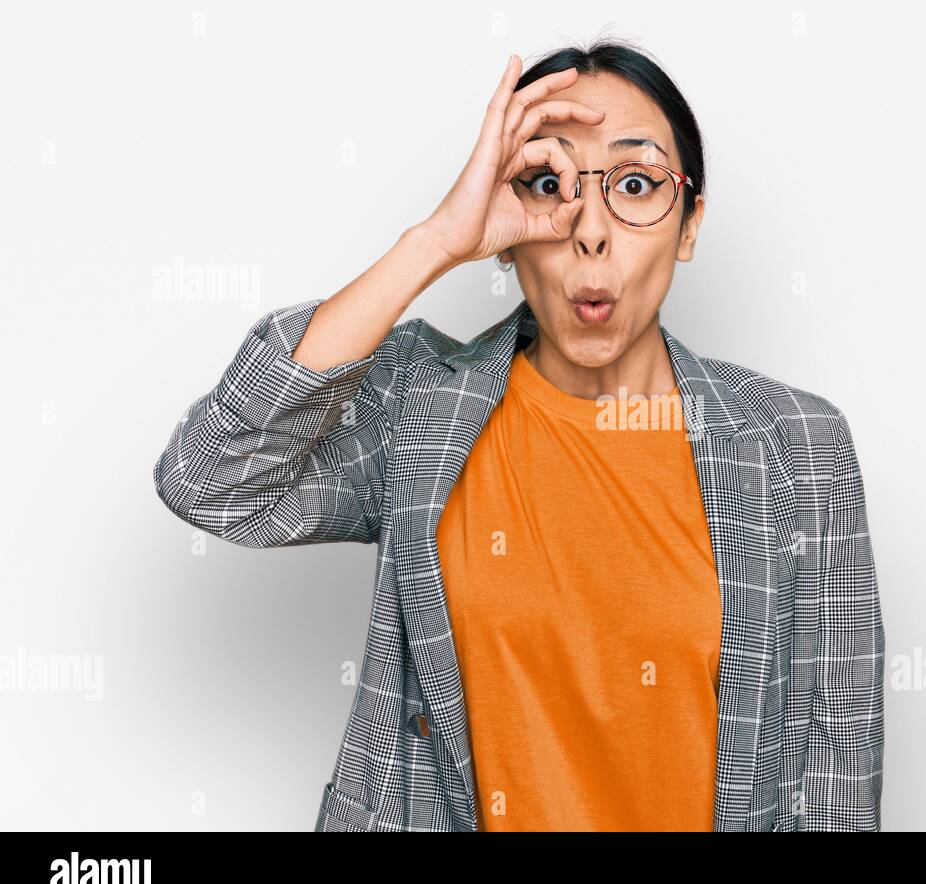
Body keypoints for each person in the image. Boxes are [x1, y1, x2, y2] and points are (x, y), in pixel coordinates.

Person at [153, 39, 884, 831]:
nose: (591, 234)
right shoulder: (418, 406)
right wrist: (435, 242)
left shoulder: (797, 448)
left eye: (636, 185)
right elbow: (210, 475)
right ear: (506, 226)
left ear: (689, 225)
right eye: (549, 183)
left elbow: (836, 766)